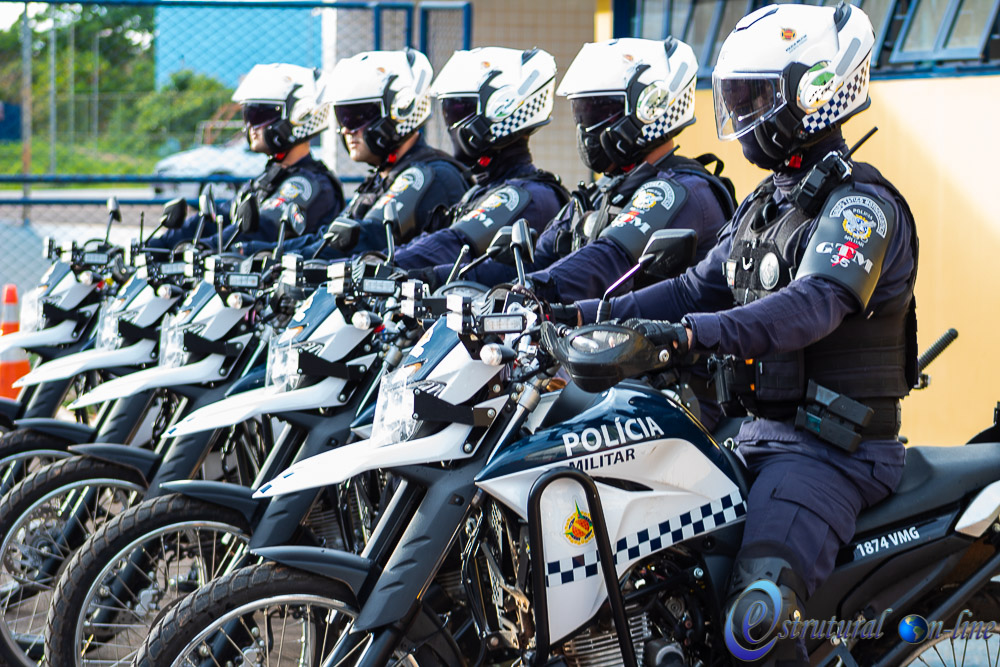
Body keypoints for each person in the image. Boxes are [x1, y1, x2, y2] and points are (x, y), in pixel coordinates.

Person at [569, 5, 917, 664]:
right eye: (737, 94)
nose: (742, 109)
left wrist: (689, 337)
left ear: (812, 93)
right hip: (751, 435)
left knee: (749, 628)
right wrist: (585, 316)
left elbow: (811, 305)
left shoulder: (862, 208)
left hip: (829, 454)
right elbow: (695, 287)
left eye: (755, 94)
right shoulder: (767, 203)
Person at [424, 37, 736, 309]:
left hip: (661, 372)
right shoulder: (603, 193)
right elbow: (538, 256)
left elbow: (606, 260)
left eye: (597, 113)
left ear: (649, 110)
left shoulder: (679, 191)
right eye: (581, 114)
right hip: (594, 360)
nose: (585, 129)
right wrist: (435, 279)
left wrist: (534, 289)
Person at [390, 46, 568, 270]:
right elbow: (426, 243)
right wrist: (370, 262)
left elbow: (455, 244)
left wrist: (391, 265)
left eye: (458, 112)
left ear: (501, 111)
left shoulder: (531, 196)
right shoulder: (480, 190)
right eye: (448, 112)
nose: (450, 126)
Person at [287, 48, 469, 260]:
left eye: (355, 117)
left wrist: (296, 258)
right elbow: (330, 236)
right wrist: (274, 253)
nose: (346, 130)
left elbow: (368, 237)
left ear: (402, 111)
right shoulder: (383, 177)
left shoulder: (431, 175)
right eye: (342, 117)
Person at [150, 63, 344, 250]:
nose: (251, 127)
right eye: (248, 116)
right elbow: (220, 217)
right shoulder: (270, 177)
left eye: (259, 116)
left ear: (301, 115)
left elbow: (261, 228)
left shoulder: (310, 185)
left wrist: (203, 248)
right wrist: (159, 245)